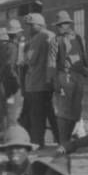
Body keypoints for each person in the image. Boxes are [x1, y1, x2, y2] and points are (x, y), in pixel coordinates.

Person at [49, 11, 88, 147]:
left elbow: (83, 55)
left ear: (69, 24)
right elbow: (52, 64)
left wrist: (84, 72)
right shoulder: (55, 40)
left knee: (76, 111)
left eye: (63, 24)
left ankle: (68, 140)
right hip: (64, 76)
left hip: (77, 76)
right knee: (64, 111)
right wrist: (55, 83)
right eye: (59, 25)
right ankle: (63, 141)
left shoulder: (77, 38)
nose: (60, 27)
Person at [22, 14, 56, 148]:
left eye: (31, 25)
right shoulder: (51, 35)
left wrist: (25, 55)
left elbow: (30, 60)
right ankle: (60, 139)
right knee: (50, 113)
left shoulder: (38, 38)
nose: (29, 28)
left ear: (40, 24)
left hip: (35, 83)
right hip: (48, 82)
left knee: (36, 116)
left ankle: (37, 142)